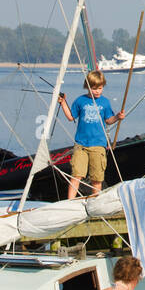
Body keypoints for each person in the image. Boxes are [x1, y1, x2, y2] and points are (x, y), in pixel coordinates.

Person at [58, 69, 124, 199]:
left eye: (100, 88)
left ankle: (96, 203)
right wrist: (63, 103)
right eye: (94, 88)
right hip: (81, 144)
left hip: (98, 145)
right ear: (87, 87)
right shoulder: (80, 101)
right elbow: (71, 117)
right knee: (77, 174)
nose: (97, 91)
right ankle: (69, 202)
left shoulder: (105, 102)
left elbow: (108, 120)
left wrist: (117, 117)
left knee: (97, 178)